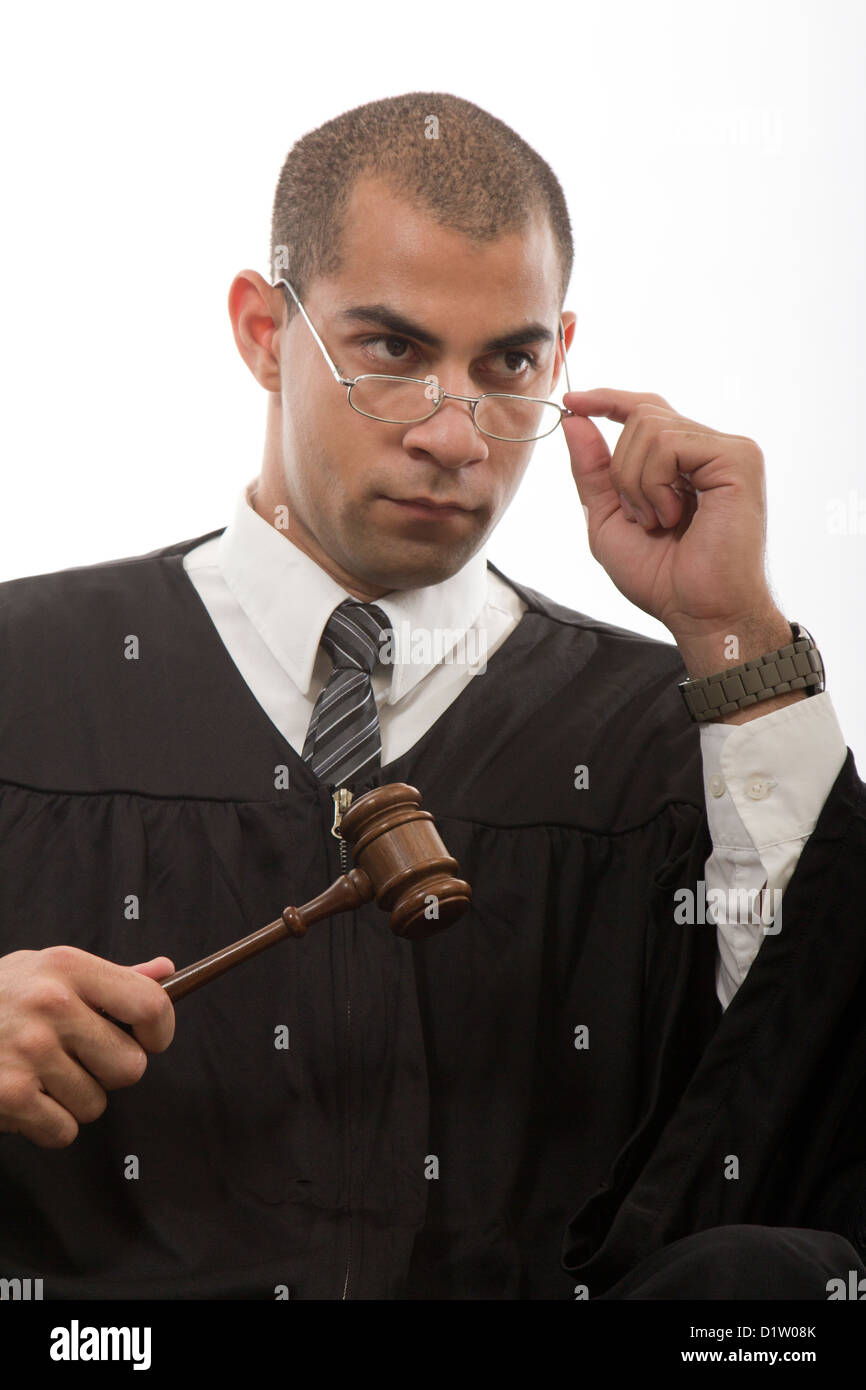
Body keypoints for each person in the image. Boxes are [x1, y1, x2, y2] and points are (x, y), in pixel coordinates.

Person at [1, 91, 865, 1302]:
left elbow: (802, 1097)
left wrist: (738, 642)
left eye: (508, 364)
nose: (456, 436)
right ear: (262, 329)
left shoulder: (672, 739)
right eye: (392, 352)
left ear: (561, 355)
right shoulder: (23, 681)